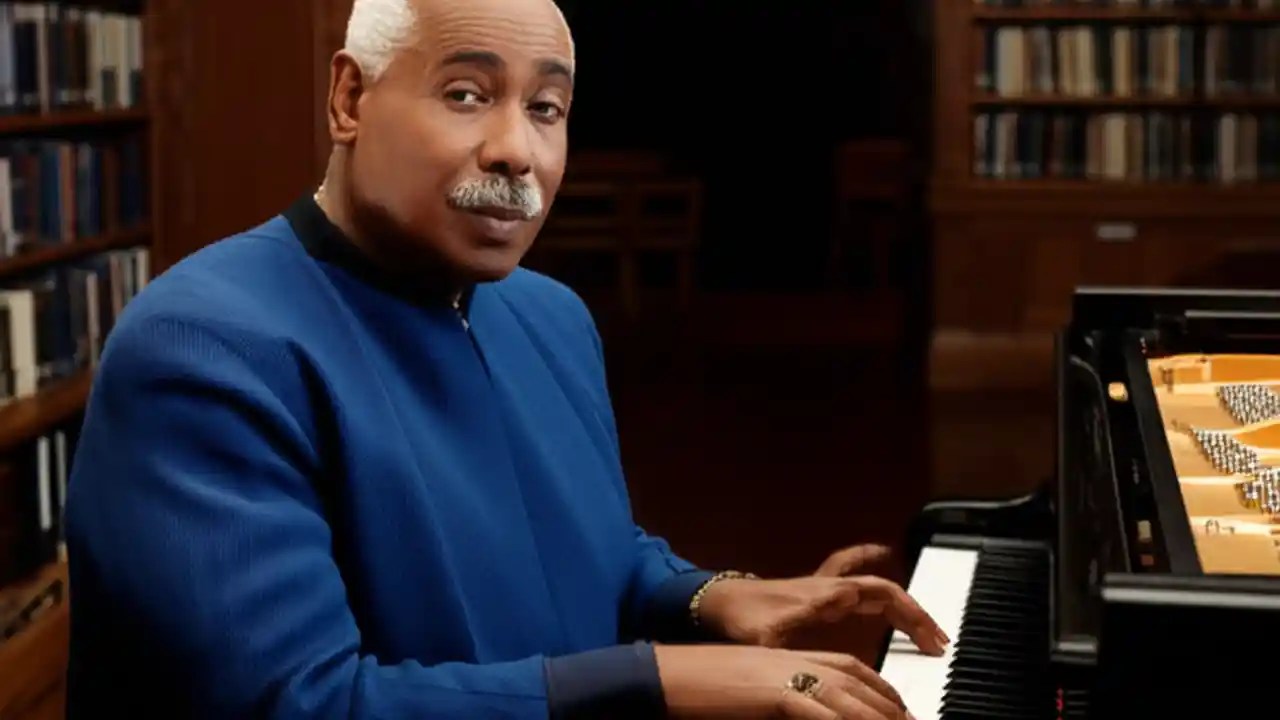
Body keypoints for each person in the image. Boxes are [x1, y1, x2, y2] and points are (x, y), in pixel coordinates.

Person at [63, 0, 946, 717]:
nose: (517, 151)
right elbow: (300, 704)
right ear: (349, 99)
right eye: (465, 94)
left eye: (546, 109)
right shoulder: (203, 349)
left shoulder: (550, 316)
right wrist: (669, 677)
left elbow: (582, 546)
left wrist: (706, 598)